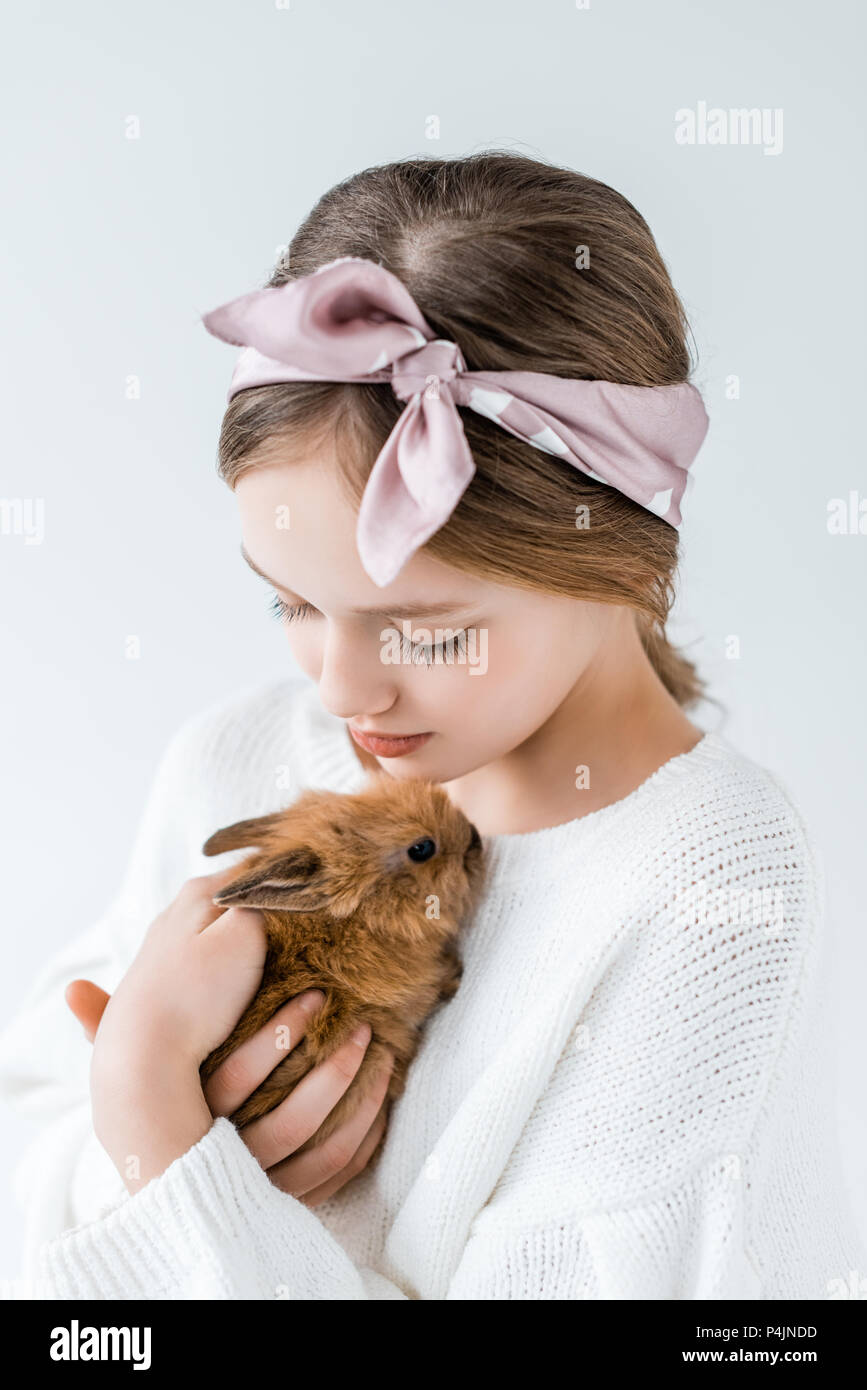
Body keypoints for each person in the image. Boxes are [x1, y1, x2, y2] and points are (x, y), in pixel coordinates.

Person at [1, 151, 863, 1299]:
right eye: (292, 601)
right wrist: (133, 1142)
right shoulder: (241, 764)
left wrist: (162, 1131)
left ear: (605, 550)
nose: (343, 690)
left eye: (426, 629)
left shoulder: (705, 895)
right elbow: (29, 1156)